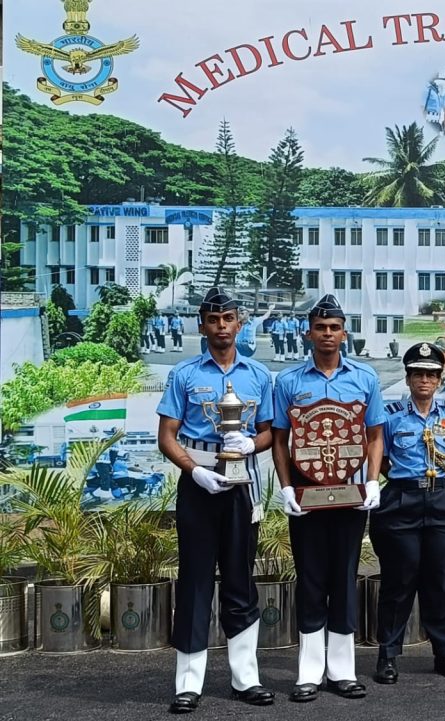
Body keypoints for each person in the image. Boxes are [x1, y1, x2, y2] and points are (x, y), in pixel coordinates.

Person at [156, 287, 275, 714]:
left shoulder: (259, 375)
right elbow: (166, 436)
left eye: (228, 319)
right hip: (199, 482)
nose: (221, 327)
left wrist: (250, 445)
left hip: (242, 484)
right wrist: (194, 470)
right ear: (202, 325)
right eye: (213, 320)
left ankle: (246, 679)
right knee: (195, 581)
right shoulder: (184, 374)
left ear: (239, 324)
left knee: (241, 581)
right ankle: (187, 684)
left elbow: (269, 432)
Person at [271, 294, 385, 703]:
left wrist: (372, 482)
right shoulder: (288, 382)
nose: (328, 334)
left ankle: (342, 670)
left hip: (352, 497)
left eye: (334, 327)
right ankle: (308, 672)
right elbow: (281, 441)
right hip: (307, 496)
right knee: (311, 580)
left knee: (343, 577)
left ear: (344, 333)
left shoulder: (365, 378)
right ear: (308, 333)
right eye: (320, 328)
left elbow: (374, 436)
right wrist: (285, 487)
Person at [369, 342, 445, 685]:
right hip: (402, 500)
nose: (424, 380)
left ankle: (444, 653)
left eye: (431, 374)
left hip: (442, 499)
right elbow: (380, 458)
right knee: (399, 579)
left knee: (439, 579)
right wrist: (404, 481)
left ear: (440, 379)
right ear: (408, 377)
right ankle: (388, 654)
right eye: (417, 374)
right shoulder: (391, 413)